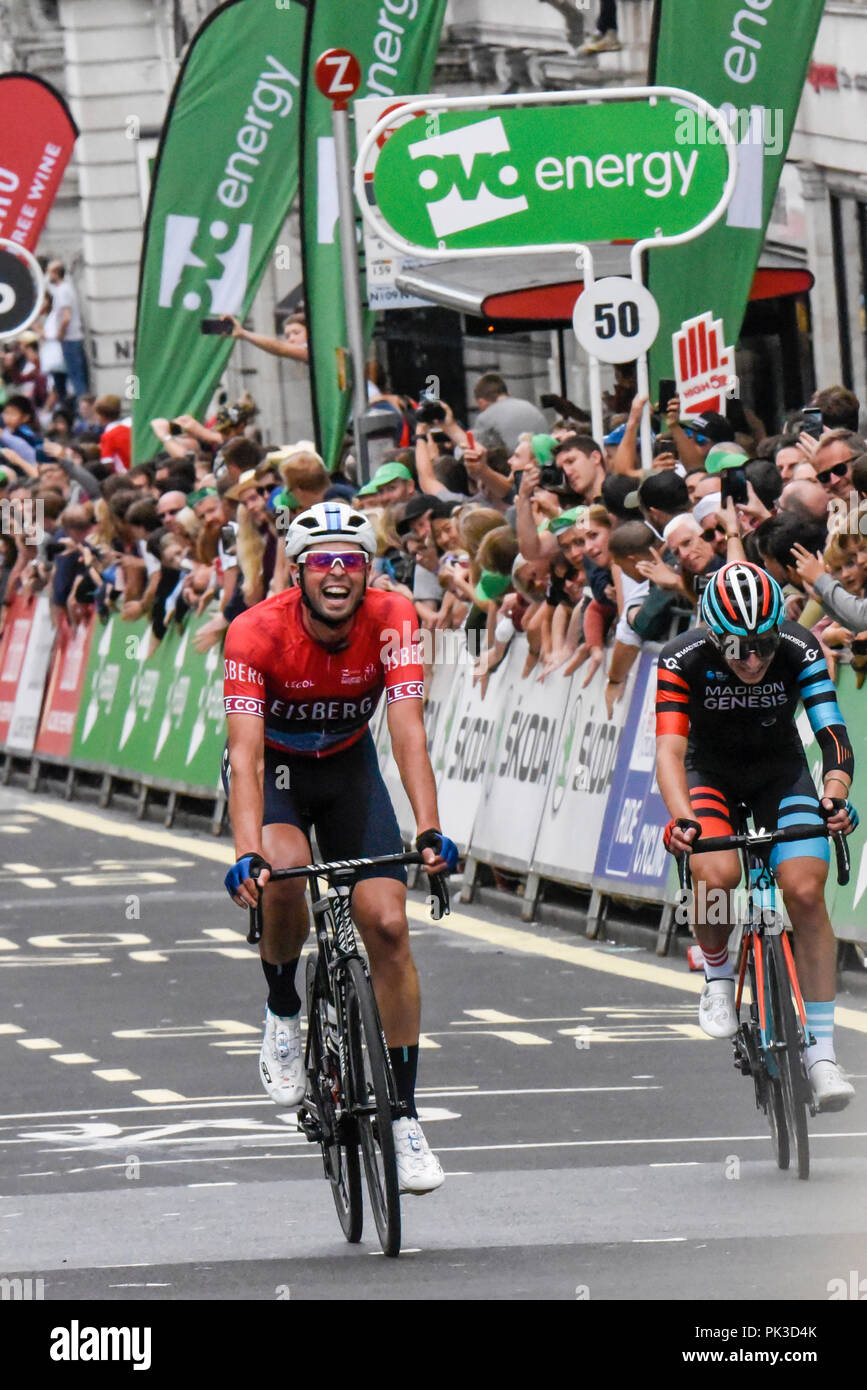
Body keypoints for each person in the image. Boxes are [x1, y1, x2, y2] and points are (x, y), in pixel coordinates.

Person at [221, 502, 458, 1194]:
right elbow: (245, 759)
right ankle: (283, 1009)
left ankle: (405, 1117)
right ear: (297, 572)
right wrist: (246, 853)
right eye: (321, 561)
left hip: (351, 770)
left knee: (387, 923)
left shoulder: (394, 619)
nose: (336, 573)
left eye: (349, 561)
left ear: (367, 572)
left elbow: (408, 732)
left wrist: (429, 827)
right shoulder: (254, 633)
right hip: (281, 773)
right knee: (286, 874)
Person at [656, 561, 858, 1111]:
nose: (754, 659)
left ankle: (821, 1054)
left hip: (780, 773)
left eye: (765, 644)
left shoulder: (801, 647)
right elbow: (670, 751)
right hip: (709, 774)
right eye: (739, 647)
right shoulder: (681, 657)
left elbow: (833, 734)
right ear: (713, 636)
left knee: (807, 892)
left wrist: (835, 795)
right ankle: (718, 973)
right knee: (715, 871)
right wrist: (682, 820)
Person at [472, 373, 547, 454]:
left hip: (510, 464)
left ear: (481, 402)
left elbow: (478, 452)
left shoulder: (484, 418)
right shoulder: (531, 408)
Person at [45, 261, 89, 399]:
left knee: (76, 377)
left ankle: (82, 410)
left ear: (56, 273)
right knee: (75, 376)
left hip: (70, 339)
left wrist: (60, 334)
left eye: (49, 272)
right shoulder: (64, 289)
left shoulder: (63, 290)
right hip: (71, 338)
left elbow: (66, 316)